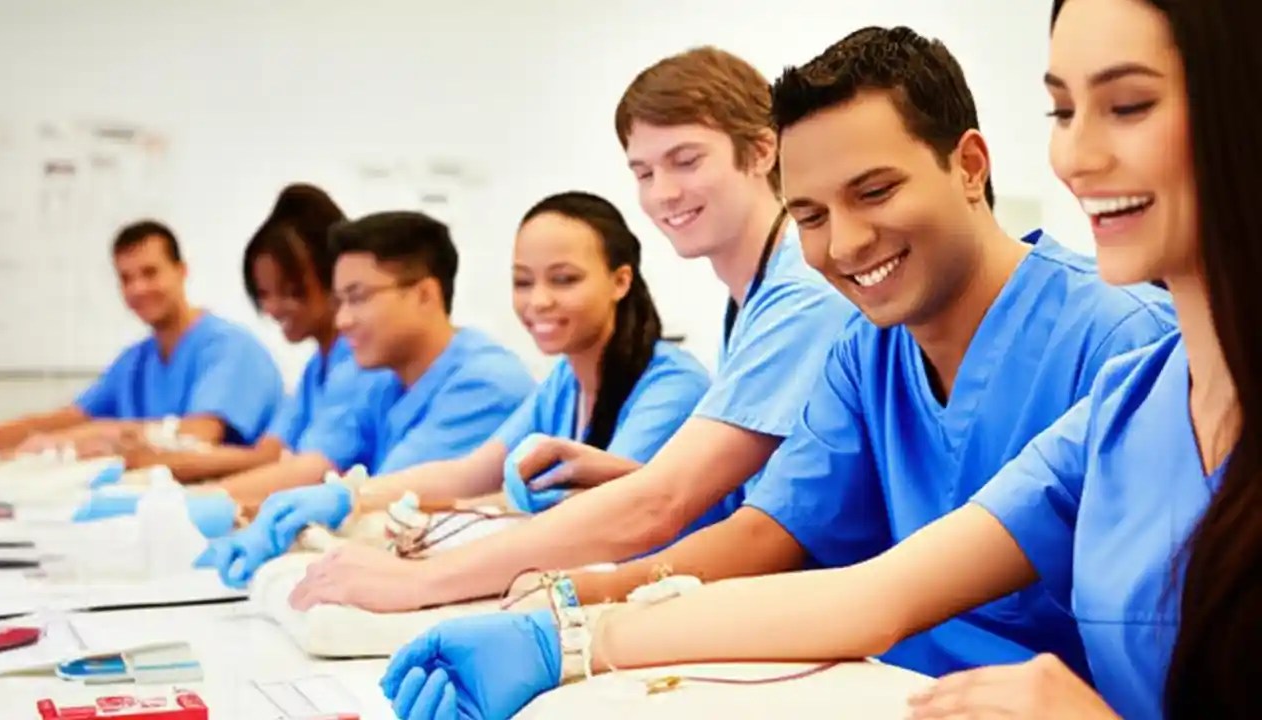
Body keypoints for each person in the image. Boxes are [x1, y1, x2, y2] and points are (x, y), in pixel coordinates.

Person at [379, 1, 1262, 719]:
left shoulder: (1113, 336)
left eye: (1130, 105)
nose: (1076, 154)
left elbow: (690, 507)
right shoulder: (1130, 399)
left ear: (969, 166)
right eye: (1062, 112)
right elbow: (859, 591)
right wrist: (568, 631)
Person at [535, 24, 1176, 680]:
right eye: (810, 217)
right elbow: (771, 534)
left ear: (970, 167)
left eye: (875, 193)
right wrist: (563, 601)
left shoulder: (1125, 344)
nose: (844, 244)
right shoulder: (866, 352)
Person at [284, 47, 853, 613]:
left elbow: (664, 505)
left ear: (760, 151)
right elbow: (743, 494)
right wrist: (624, 476)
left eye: (686, 161)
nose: (663, 193)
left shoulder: (799, 295)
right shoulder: (751, 298)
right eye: (643, 172)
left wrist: (420, 582)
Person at [201, 191, 712, 587]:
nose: (538, 301)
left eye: (564, 279)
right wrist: (344, 498)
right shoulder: (563, 384)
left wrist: (415, 574)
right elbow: (471, 473)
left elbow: (603, 519)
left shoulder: (669, 385)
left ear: (620, 281)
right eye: (522, 281)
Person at [0, 220, 283, 455]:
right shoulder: (135, 362)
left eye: (150, 273)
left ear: (181, 271)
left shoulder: (229, 349)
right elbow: (72, 417)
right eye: (126, 278)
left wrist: (95, 437)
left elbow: (199, 434)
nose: (138, 288)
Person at [124, 184, 360, 481]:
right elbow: (268, 455)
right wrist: (154, 463)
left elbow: (306, 470)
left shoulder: (358, 365)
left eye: (289, 291)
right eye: (263, 294)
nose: (272, 308)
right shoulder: (316, 370)